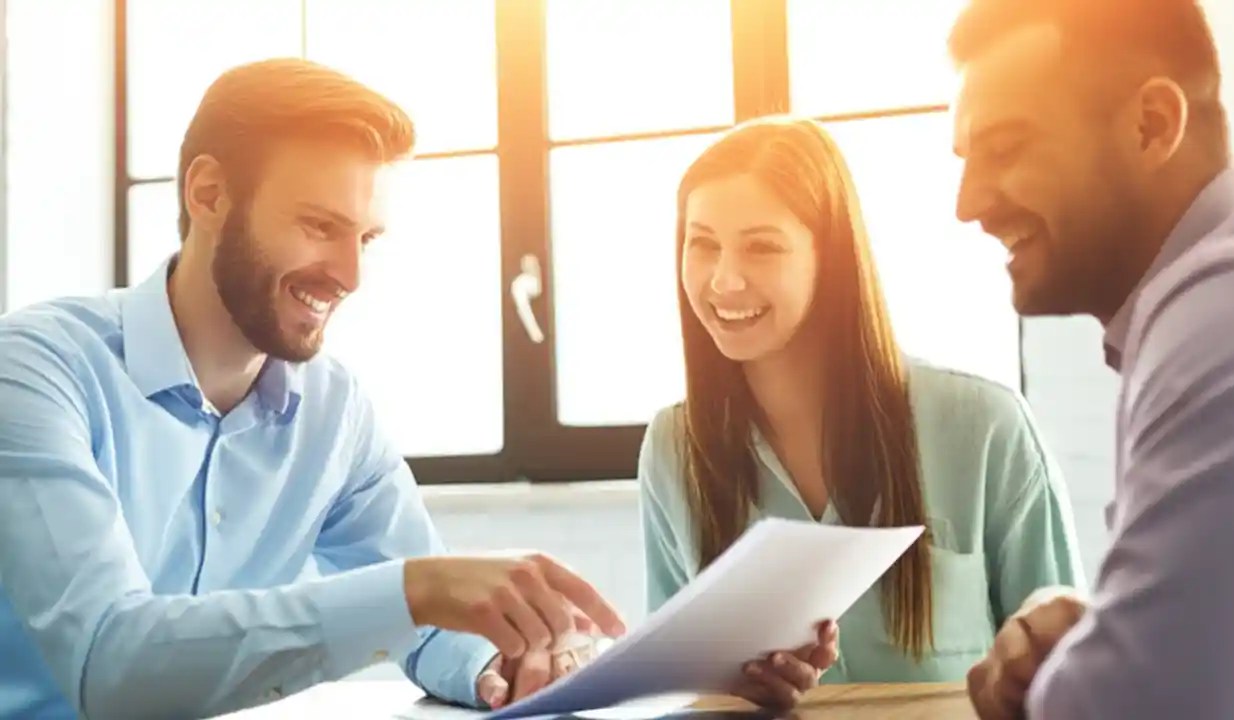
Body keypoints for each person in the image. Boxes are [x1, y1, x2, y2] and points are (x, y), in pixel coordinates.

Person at [0, 58, 625, 720]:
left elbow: (434, 623)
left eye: (367, 237)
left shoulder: (335, 414)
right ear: (208, 195)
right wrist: (417, 591)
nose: (350, 276)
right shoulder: (37, 370)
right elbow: (110, 664)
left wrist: (497, 663)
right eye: (320, 226)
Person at [638, 114, 1085, 711]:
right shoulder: (674, 449)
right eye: (703, 244)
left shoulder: (984, 427)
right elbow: (672, 697)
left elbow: (1069, 675)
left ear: (831, 258)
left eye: (762, 246)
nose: (724, 280)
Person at [949, 0, 1234, 717]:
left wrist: (1087, 676)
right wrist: (1099, 633)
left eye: (1004, 150)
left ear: (1150, 126)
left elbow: (1145, 703)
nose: (967, 204)